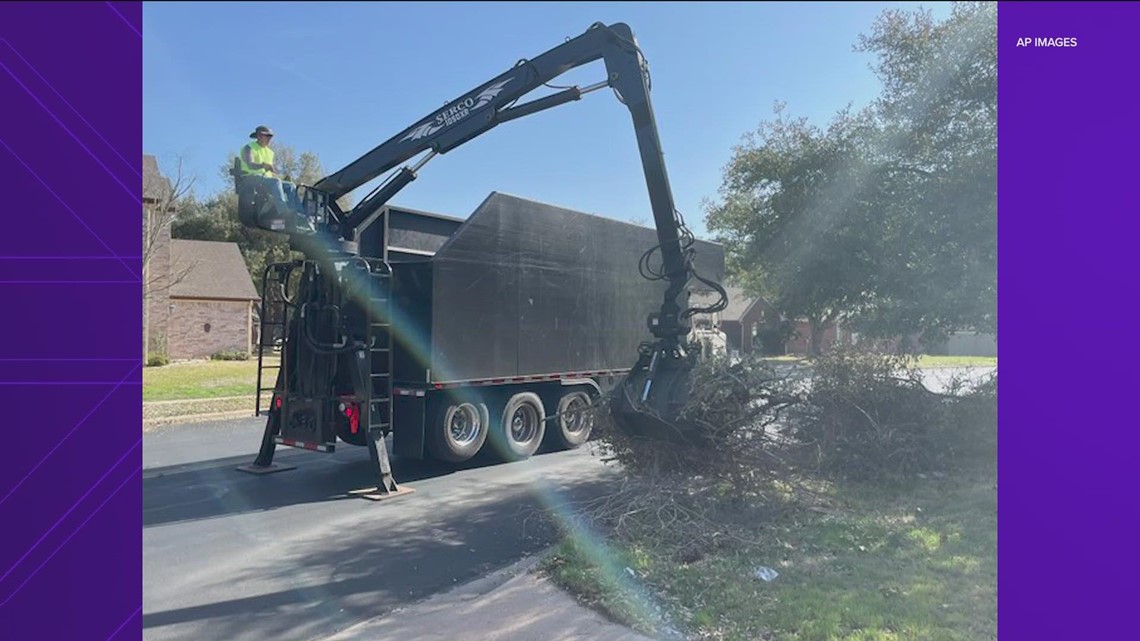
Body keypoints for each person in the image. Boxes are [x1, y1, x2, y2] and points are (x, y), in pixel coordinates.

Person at [239, 125, 312, 231]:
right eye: (267, 136)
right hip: (251, 178)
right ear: (259, 136)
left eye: (270, 137)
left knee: (290, 186)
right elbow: (250, 165)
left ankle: (298, 213)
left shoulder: (270, 152)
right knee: (275, 182)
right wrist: (263, 165)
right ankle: (283, 211)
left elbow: (270, 174)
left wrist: (281, 177)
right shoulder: (249, 148)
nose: (269, 139)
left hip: (266, 179)